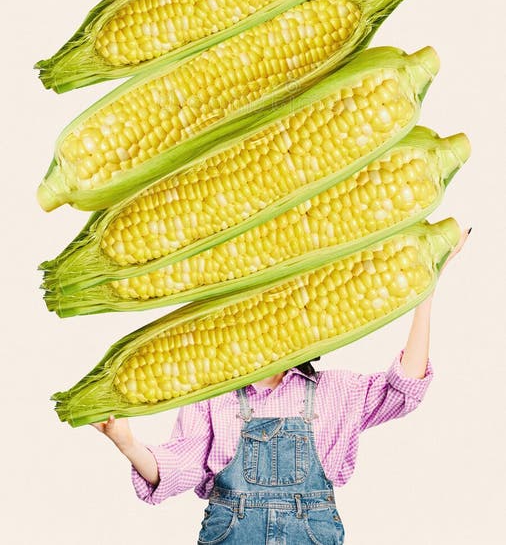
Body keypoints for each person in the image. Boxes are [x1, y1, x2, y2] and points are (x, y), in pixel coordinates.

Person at [92, 227, 471, 544]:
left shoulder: (336, 391)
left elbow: (404, 388)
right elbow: (179, 468)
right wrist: (124, 441)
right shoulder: (212, 394)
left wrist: (428, 290)